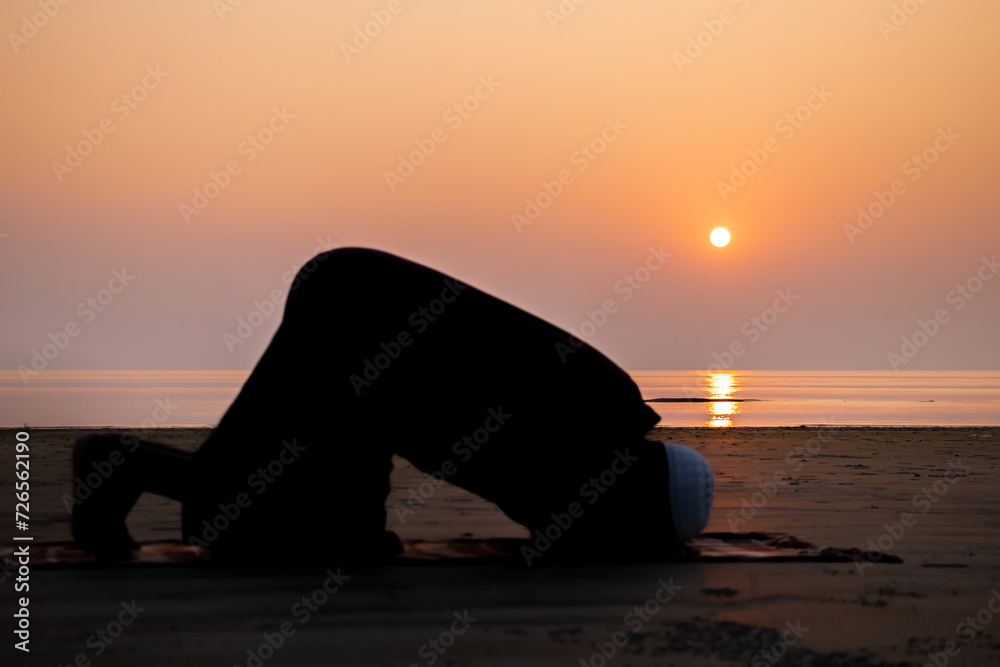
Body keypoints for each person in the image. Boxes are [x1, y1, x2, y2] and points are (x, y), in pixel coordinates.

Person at [71, 247, 714, 564]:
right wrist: (355, 523)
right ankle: (125, 467)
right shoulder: (583, 425)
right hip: (360, 308)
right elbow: (407, 404)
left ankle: (127, 466)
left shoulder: (576, 453)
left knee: (265, 520)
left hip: (358, 307)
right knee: (285, 528)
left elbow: (410, 415)